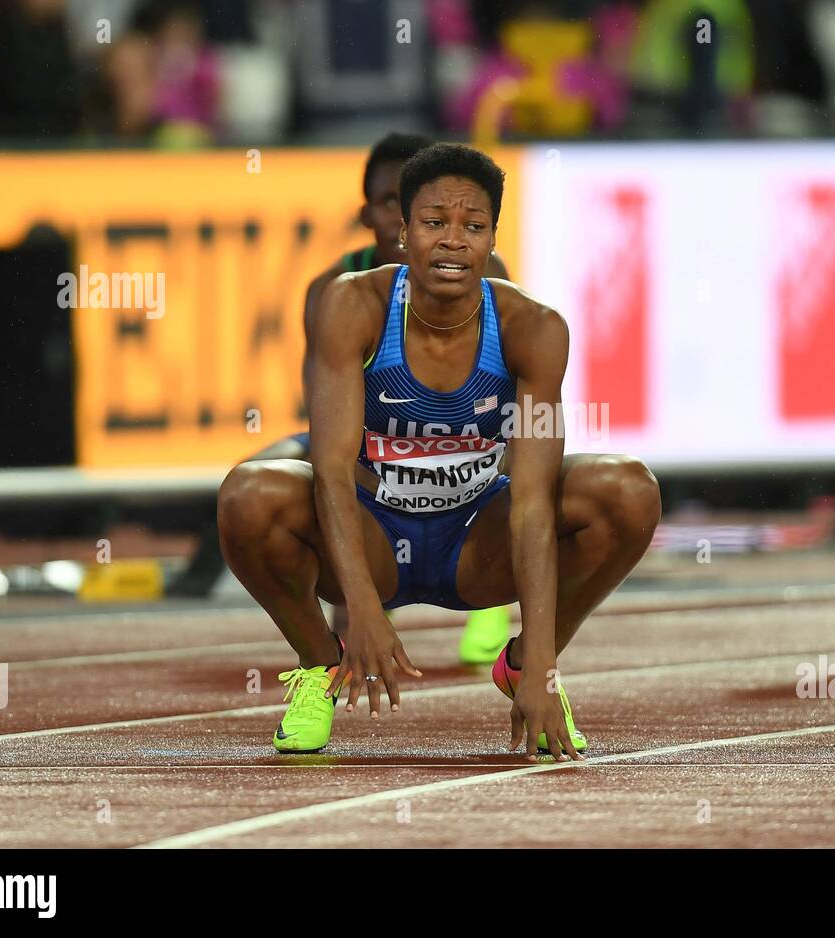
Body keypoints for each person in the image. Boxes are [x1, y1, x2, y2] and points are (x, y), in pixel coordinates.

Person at [217, 143, 661, 759]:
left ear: (492, 238)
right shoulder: (351, 304)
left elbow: (532, 501)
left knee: (627, 488)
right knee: (248, 493)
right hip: (375, 539)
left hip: (478, 540)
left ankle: (520, 663)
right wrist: (364, 612)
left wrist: (542, 661)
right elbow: (333, 474)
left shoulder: (536, 329)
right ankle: (318, 663)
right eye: (434, 223)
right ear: (402, 231)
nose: (453, 241)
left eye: (473, 227)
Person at [172, 132, 514, 667]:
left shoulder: (487, 276)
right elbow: (326, 418)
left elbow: (506, 408)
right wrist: (358, 584)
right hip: (363, 439)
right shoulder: (334, 290)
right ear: (379, 216)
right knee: (251, 483)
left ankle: (488, 599)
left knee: (521, 454)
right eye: (388, 204)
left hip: (461, 451)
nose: (443, 234)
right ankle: (322, 649)